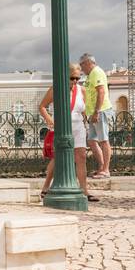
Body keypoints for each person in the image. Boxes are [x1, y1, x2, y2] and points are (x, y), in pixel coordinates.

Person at [38, 63, 95, 201]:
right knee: (57, 157)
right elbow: (42, 106)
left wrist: (89, 119)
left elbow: (84, 110)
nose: (75, 81)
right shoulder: (56, 89)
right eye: (72, 78)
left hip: (78, 127)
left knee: (81, 157)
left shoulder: (82, 90)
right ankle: (46, 186)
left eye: (77, 78)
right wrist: (50, 121)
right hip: (62, 126)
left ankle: (84, 190)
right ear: (65, 76)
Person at [80, 53, 112, 179]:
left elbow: (101, 92)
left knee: (104, 140)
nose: (82, 69)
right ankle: (101, 167)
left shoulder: (97, 72)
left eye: (82, 66)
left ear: (88, 63)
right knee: (92, 141)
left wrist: (97, 111)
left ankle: (106, 169)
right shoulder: (90, 76)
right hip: (93, 113)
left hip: (100, 111)